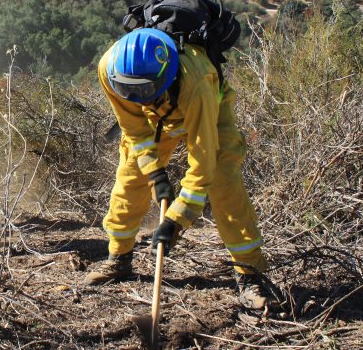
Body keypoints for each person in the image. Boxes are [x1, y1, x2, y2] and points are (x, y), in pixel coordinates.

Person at [84, 27, 274, 310]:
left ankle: (250, 274)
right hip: (158, 114)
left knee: (223, 181)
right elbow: (134, 128)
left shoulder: (195, 84)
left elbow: (203, 163)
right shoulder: (109, 70)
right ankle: (119, 258)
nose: (137, 97)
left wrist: (176, 220)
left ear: (166, 74)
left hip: (207, 108)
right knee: (131, 176)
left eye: (143, 90)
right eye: (129, 90)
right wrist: (154, 173)